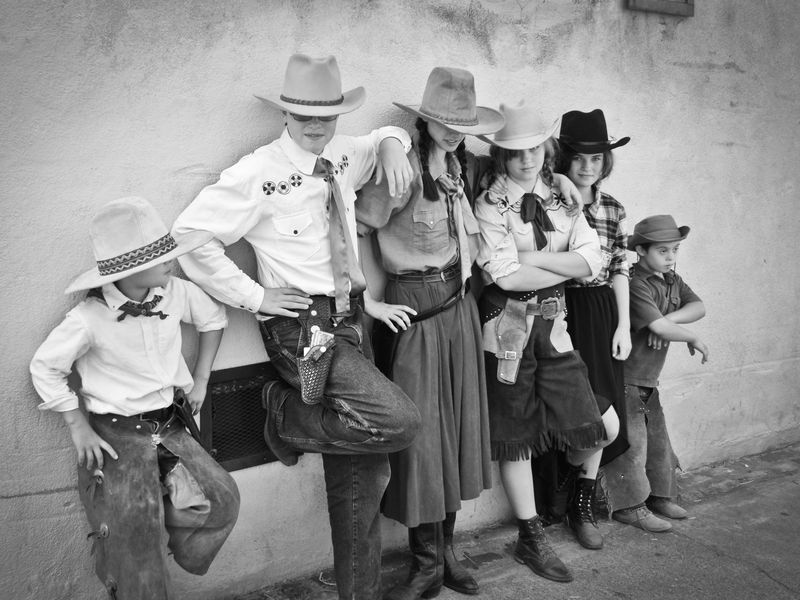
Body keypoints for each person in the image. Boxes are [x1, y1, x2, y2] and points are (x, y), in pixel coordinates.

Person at [171, 54, 421, 600]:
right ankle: (283, 415)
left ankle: (359, 592)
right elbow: (188, 235)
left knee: (362, 470)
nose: (316, 126)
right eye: (304, 115)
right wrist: (255, 295)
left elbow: (385, 129)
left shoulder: (342, 154)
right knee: (398, 422)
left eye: (327, 116)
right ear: (284, 113)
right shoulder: (255, 173)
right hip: (302, 331)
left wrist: (391, 145)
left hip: (350, 321)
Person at [30, 197, 239, 600]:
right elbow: (45, 367)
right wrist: (79, 429)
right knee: (137, 552)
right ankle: (142, 570)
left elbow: (213, 319)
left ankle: (165, 547)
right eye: (163, 258)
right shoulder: (88, 318)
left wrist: (201, 378)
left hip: (171, 425)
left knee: (222, 499)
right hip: (118, 435)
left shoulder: (176, 292)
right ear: (131, 269)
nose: (172, 263)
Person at [355, 67, 503, 599]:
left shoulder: (461, 166)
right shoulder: (402, 171)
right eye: (443, 121)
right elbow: (354, 230)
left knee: (459, 426)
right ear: (423, 119)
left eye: (462, 122)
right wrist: (365, 300)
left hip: (457, 308)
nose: (453, 130)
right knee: (423, 435)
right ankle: (424, 562)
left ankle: (448, 553)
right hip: (413, 308)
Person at [473, 100, 620, 582]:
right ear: (499, 156)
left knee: (601, 424)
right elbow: (504, 278)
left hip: (555, 328)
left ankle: (577, 500)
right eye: (515, 153)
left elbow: (592, 262)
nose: (527, 159)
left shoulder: (565, 198)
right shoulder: (489, 204)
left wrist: (531, 260)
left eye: (534, 149)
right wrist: (550, 264)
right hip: (509, 333)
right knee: (515, 440)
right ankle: (530, 534)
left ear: (546, 149)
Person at [531, 109, 632, 527]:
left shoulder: (612, 207)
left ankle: (581, 501)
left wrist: (624, 325)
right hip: (562, 307)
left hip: (603, 311)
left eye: (597, 159)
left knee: (604, 412)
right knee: (581, 409)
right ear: (564, 160)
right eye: (579, 158)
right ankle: (563, 478)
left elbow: (621, 268)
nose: (588, 167)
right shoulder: (549, 200)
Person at [604, 214, 708, 532]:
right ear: (642, 251)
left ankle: (658, 496)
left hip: (650, 379)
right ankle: (629, 506)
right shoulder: (634, 283)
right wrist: (689, 336)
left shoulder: (672, 280)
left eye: (674, 250)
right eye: (663, 251)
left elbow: (699, 306)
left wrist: (668, 323)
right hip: (627, 377)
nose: (671, 257)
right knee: (632, 445)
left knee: (657, 443)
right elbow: (658, 325)